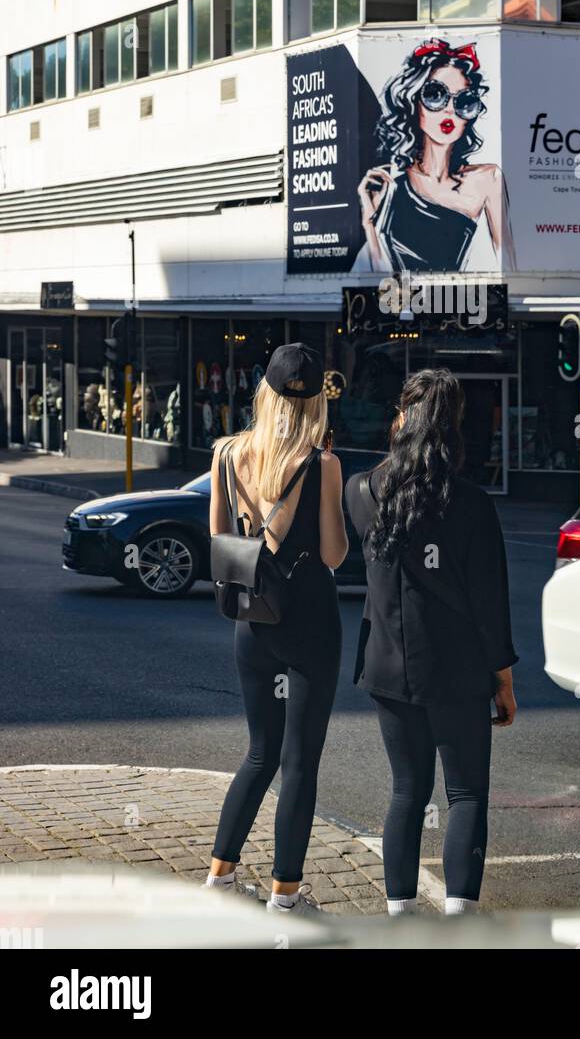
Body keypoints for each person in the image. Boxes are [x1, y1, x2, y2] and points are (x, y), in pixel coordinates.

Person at [344, 368, 518, 917]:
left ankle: (400, 913)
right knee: (465, 794)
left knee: (406, 791)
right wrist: (503, 678)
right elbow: (490, 603)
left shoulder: (361, 491)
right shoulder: (470, 504)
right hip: (458, 671)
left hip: (387, 668)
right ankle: (460, 914)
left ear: (401, 419)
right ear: (453, 428)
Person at [204, 343, 348, 914]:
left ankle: (219, 876)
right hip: (311, 623)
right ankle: (285, 896)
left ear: (263, 392)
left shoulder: (225, 456)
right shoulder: (323, 463)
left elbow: (220, 542)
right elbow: (335, 555)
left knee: (259, 754)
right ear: (316, 403)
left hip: (252, 623)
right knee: (300, 763)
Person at [355, 38, 516, 273]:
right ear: (413, 102)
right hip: (403, 302)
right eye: (435, 95)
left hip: (459, 304)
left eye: (464, 101)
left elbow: (510, 268)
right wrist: (369, 224)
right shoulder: (389, 182)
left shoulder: (487, 180)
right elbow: (381, 279)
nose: (449, 109)